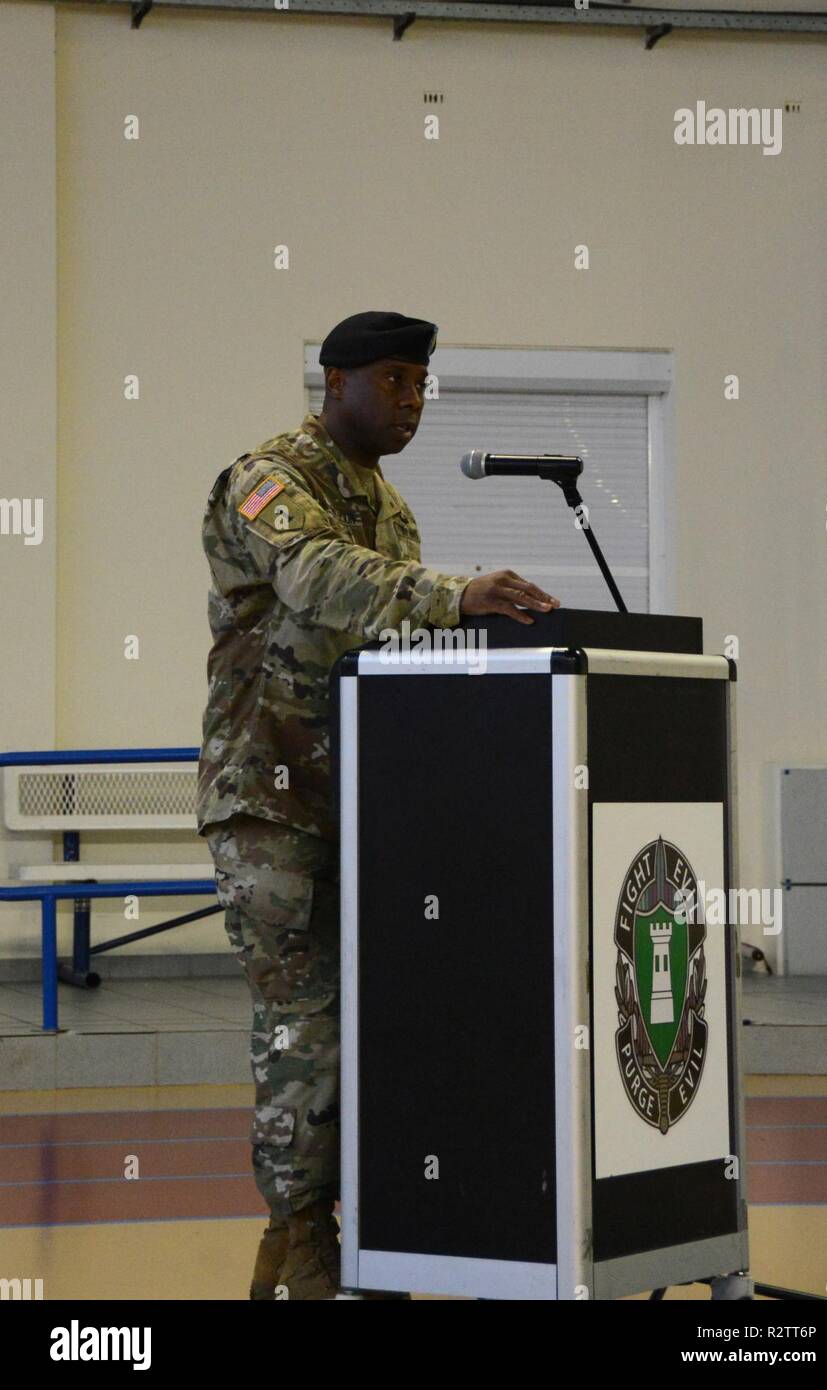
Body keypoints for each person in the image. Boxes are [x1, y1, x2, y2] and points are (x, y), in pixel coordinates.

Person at [196, 310, 560, 1300]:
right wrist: (454, 597)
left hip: (373, 808)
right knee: (302, 1025)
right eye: (394, 382)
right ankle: (299, 1247)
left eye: (419, 386)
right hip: (268, 799)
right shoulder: (267, 478)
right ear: (336, 381)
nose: (410, 403)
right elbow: (315, 579)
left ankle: (386, 1228)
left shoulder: (391, 515)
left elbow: (390, 645)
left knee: (392, 1018)